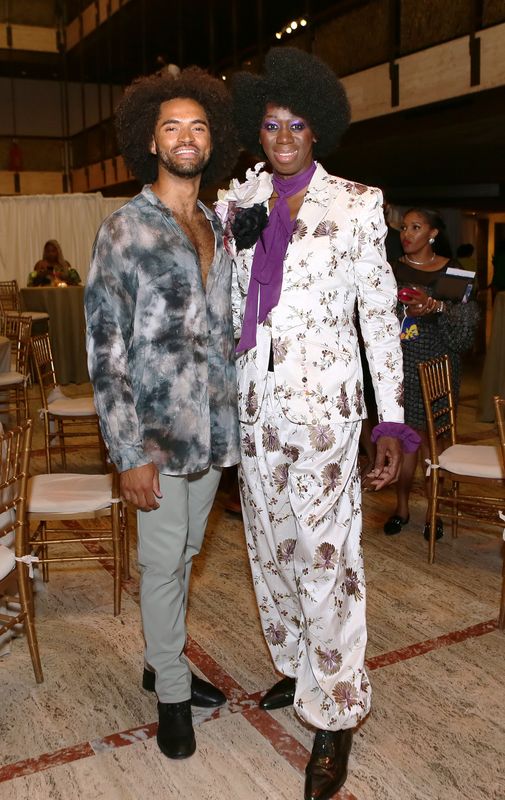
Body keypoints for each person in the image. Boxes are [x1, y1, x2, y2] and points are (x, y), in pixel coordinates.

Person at [216, 47, 418, 800]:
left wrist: (392, 423)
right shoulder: (239, 205)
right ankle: (300, 671)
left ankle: (335, 713)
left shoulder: (359, 204)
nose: (284, 135)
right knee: (270, 552)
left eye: (297, 123)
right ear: (257, 132)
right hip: (256, 414)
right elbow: (229, 314)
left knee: (326, 561)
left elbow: (376, 317)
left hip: (327, 418)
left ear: (317, 129)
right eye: (271, 124)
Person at [84, 67, 240, 761]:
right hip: (153, 434)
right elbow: (104, 348)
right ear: (151, 139)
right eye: (172, 125)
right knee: (161, 565)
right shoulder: (124, 227)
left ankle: (159, 657)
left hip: (211, 431)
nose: (186, 136)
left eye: (198, 126)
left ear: (213, 141)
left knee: (183, 554)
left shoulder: (217, 225)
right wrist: (128, 453)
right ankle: (171, 693)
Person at [383, 208, 479, 538]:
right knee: (405, 441)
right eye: (404, 228)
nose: (406, 234)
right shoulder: (391, 271)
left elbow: (465, 329)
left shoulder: (453, 272)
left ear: (432, 233)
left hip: (439, 367)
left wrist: (435, 306)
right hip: (401, 365)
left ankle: (433, 511)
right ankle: (402, 508)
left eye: (415, 227)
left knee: (432, 446)